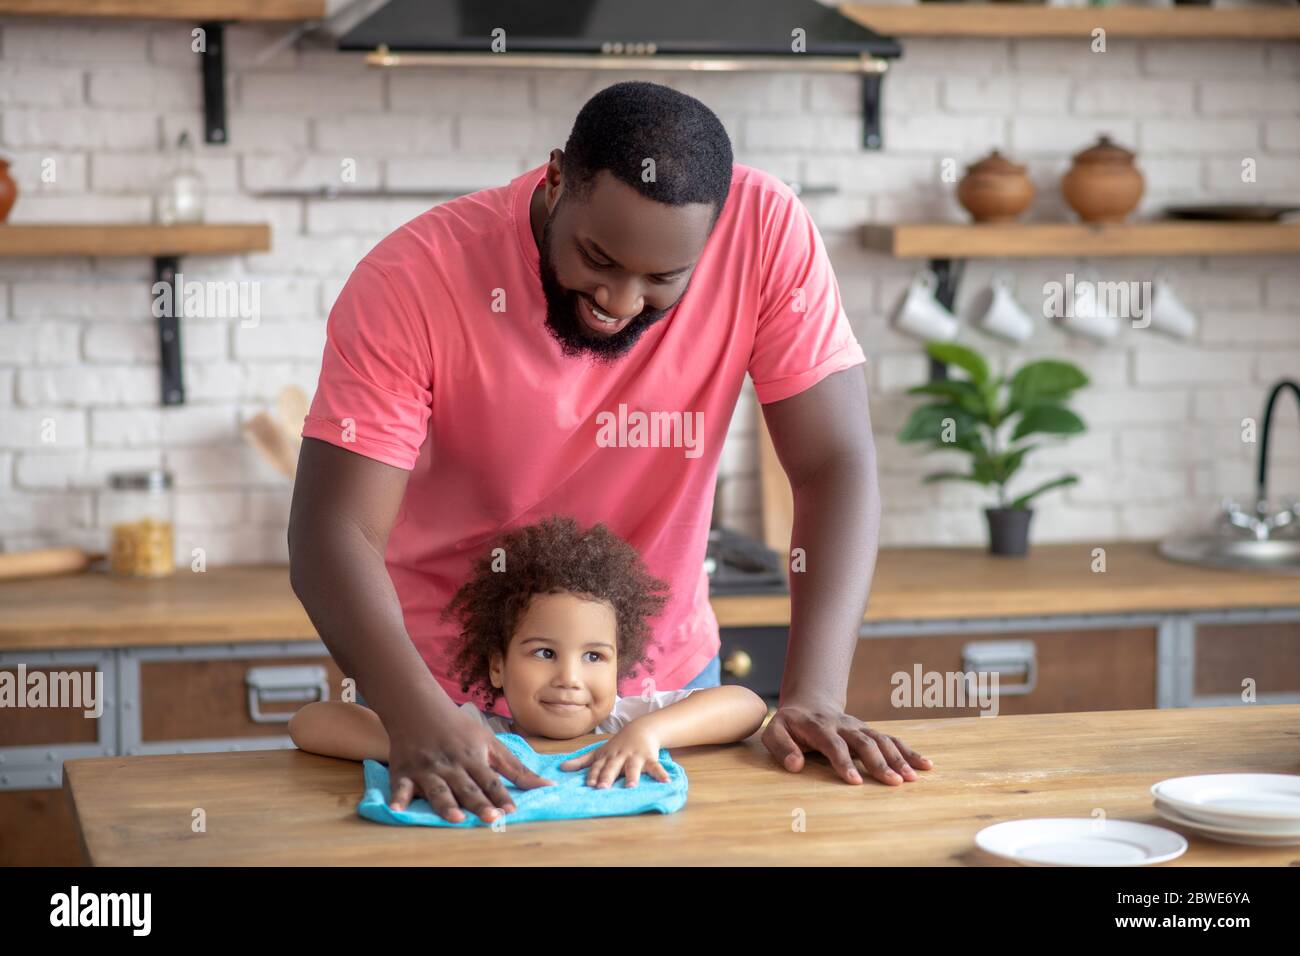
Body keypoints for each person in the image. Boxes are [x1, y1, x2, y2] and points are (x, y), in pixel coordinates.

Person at [288, 80, 931, 826]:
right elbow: (333, 533)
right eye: (597, 257)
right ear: (557, 180)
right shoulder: (412, 279)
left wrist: (815, 694)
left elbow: (833, 468)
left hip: (663, 703)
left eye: (662, 280)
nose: (620, 301)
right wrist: (412, 713)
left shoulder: (766, 232)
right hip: (439, 700)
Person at [289, 517, 768, 809]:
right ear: (497, 666)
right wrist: (407, 738)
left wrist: (649, 735)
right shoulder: (474, 733)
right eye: (544, 653)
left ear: (618, 666)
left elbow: (746, 706)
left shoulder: (630, 721)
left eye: (594, 656)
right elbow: (309, 724)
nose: (569, 677)